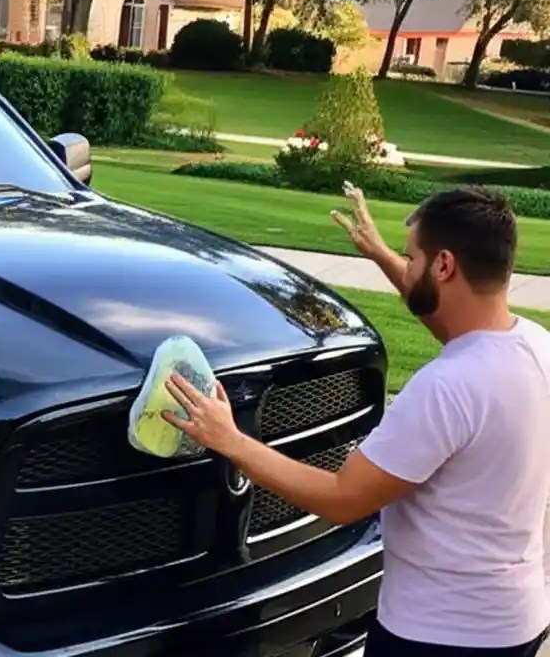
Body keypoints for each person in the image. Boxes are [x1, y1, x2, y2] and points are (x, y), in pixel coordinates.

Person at [162, 183, 550, 656]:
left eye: (412, 258)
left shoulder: (446, 387)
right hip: (516, 622)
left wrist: (229, 439)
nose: (406, 267)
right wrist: (379, 254)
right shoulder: (534, 345)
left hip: (438, 635)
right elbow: (447, 318)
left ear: (444, 265)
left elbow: (343, 499)